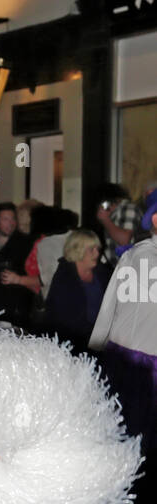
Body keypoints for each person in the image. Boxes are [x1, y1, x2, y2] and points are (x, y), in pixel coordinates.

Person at [89, 187, 157, 452]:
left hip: (124, 357)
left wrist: (97, 349)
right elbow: (110, 307)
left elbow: (108, 308)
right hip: (141, 364)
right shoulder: (141, 256)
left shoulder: (133, 254)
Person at [43, 229, 111, 350]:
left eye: (97, 249)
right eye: (91, 250)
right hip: (71, 344)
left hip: (99, 340)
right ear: (77, 251)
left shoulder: (102, 273)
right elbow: (63, 320)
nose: (97, 254)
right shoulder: (64, 277)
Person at [0, 202, 39, 329]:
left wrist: (18, 279)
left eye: (13, 219)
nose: (10, 223)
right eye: (5, 219)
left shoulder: (26, 243)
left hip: (16, 309)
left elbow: (37, 277)